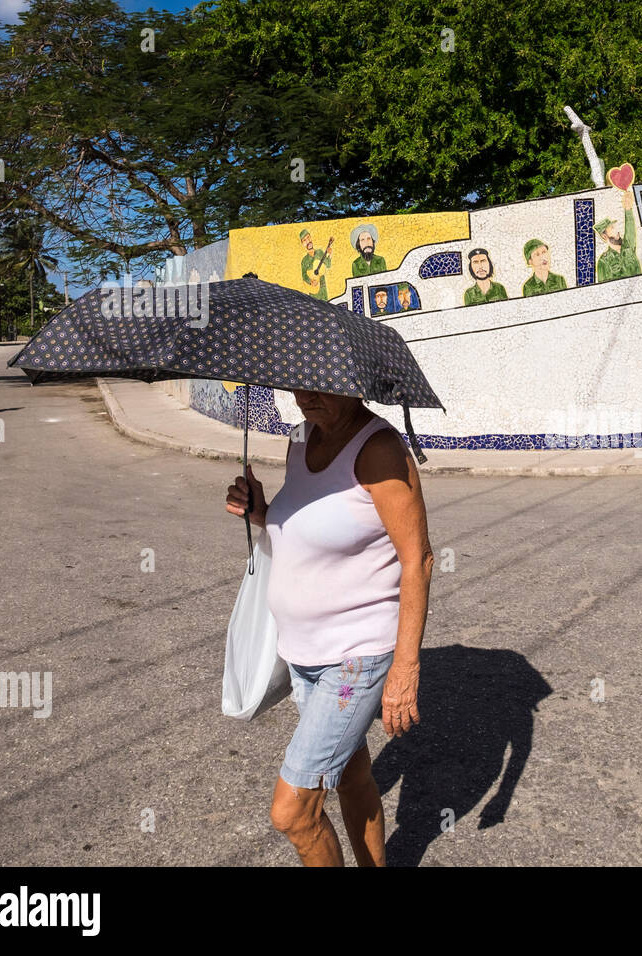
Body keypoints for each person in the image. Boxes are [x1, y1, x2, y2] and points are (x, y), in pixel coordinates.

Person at [225, 390, 434, 867]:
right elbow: (303, 529)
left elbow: (417, 559)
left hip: (355, 658)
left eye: (320, 385)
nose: (305, 397)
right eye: (299, 382)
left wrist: (405, 669)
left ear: (352, 382)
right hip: (302, 656)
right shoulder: (300, 440)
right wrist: (259, 511)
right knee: (351, 778)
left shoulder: (379, 450)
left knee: (293, 812)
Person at [595, 189, 642, 283]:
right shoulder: (603, 261)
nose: (617, 231)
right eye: (612, 229)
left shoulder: (628, 247)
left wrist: (628, 209)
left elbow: (630, 229)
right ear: (604, 236)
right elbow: (603, 288)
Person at [299, 229, 332, 301]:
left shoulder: (319, 252)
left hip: (323, 288)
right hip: (313, 290)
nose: (308, 241)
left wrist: (329, 255)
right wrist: (310, 281)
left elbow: (328, 264)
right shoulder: (304, 260)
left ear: (311, 237)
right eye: (304, 240)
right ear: (302, 244)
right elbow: (304, 275)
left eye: (308, 237)